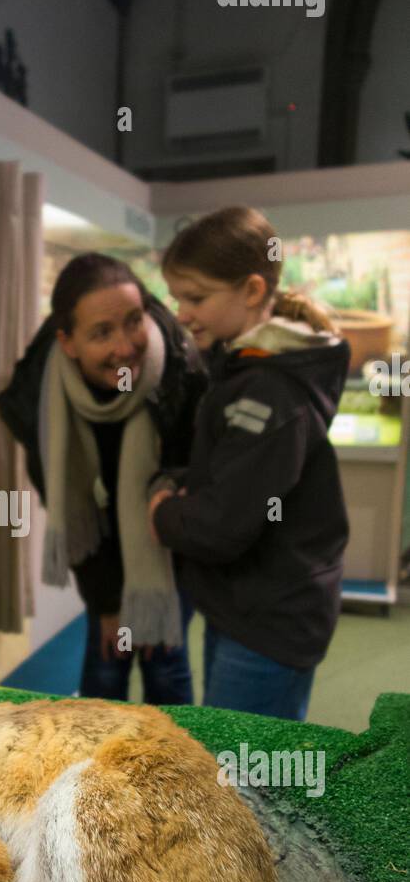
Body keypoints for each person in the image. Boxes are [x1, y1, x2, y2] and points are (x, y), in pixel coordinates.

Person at [150, 205, 350, 721]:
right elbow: (231, 473)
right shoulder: (244, 370)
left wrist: (163, 513)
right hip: (244, 605)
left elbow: (223, 524)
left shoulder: (269, 389)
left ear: (253, 291)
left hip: (271, 617)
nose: (182, 312)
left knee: (244, 776)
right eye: (177, 298)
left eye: (195, 298)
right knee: (231, 752)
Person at [0, 252, 207, 705]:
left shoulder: (184, 373)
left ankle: (179, 773)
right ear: (68, 343)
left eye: (134, 321)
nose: (126, 346)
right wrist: (108, 604)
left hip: (171, 552)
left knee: (166, 666)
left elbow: (199, 477)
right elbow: (70, 512)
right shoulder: (38, 404)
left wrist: (152, 600)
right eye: (101, 333)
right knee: (107, 666)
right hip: (100, 549)